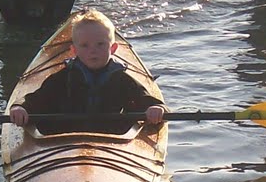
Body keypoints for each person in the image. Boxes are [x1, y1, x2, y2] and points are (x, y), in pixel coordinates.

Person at [9, 10, 165, 136]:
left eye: (100, 44)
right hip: (66, 139)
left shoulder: (122, 79)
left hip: (109, 139)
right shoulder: (63, 78)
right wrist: (20, 107)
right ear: (74, 51)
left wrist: (156, 108)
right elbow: (36, 99)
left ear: (113, 49)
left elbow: (146, 99)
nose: (93, 51)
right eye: (85, 46)